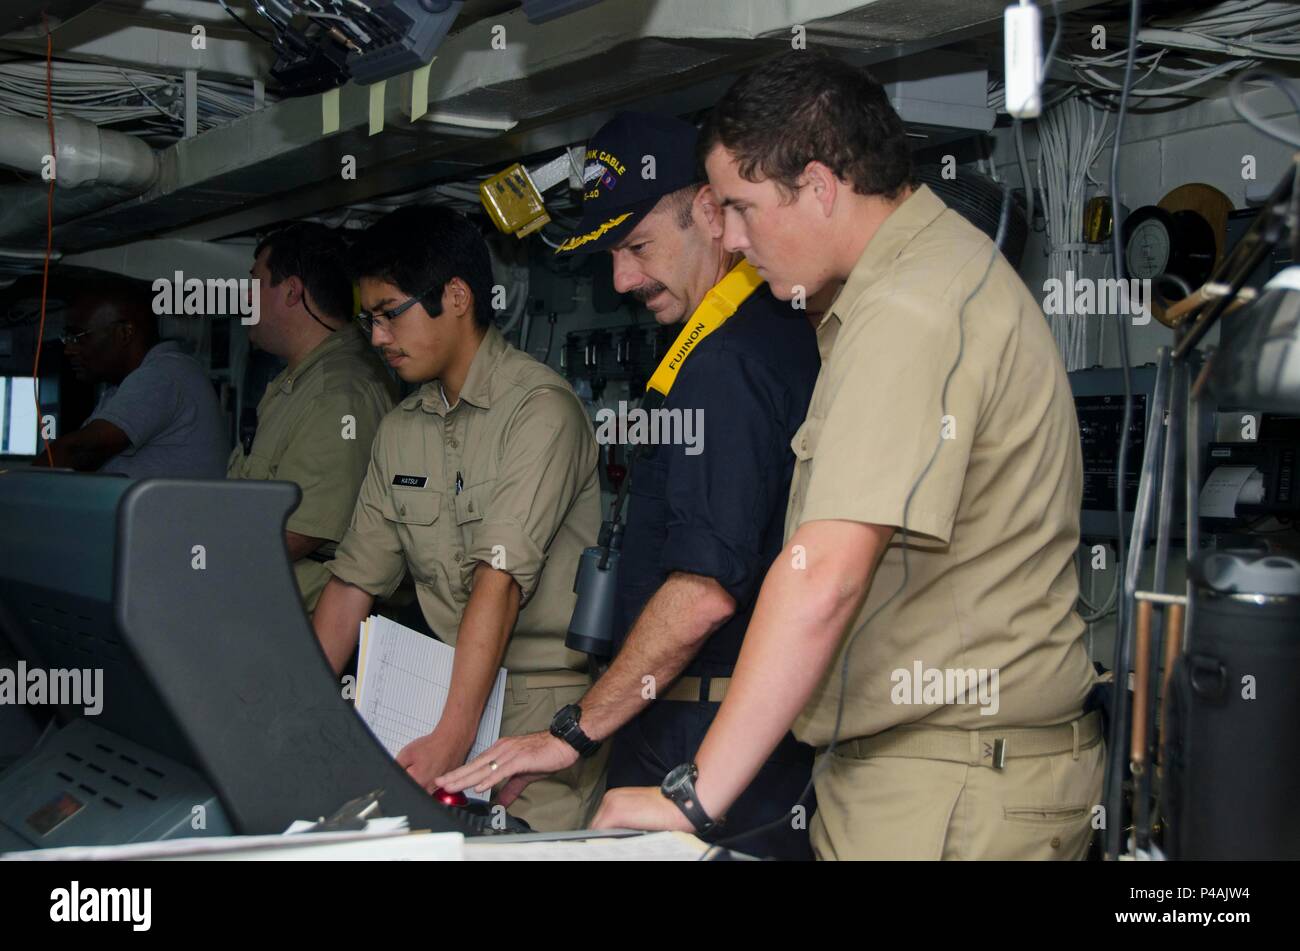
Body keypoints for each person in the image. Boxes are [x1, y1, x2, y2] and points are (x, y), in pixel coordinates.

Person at [591, 51, 1102, 860]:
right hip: (929, 768)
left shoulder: (911, 310)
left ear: (821, 186)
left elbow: (825, 575)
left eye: (740, 207)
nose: (724, 234)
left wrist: (691, 795)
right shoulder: (913, 285)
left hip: (945, 784)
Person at [436, 112, 821, 859]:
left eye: (637, 246)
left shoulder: (727, 364)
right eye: (612, 253)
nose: (622, 279)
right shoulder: (747, 338)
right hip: (696, 724)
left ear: (711, 213)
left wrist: (571, 731)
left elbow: (706, 589)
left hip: (703, 736)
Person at [311, 206, 606, 832]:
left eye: (390, 312)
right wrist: (297, 710)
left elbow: (496, 583)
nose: (377, 336)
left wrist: (454, 734)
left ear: (456, 296)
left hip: (538, 705)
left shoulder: (540, 410)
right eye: (368, 319)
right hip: (435, 690)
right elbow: (350, 586)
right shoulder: (400, 430)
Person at [227, 223, 397, 612]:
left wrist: (198, 550)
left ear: (291, 291)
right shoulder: (300, 383)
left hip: (306, 627)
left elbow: (299, 532)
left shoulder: (339, 391)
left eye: (255, 283)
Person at [40, 274, 227, 477]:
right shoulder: (122, 386)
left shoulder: (164, 374)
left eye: (77, 337)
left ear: (125, 333)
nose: (69, 349)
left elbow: (80, 450)